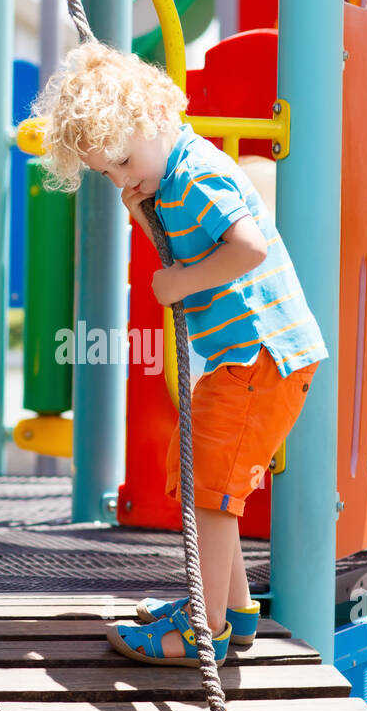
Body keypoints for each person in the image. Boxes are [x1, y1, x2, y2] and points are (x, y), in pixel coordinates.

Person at [32, 41, 328, 667]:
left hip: (260, 358)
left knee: (211, 491)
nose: (119, 179)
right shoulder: (171, 170)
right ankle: (236, 611)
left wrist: (178, 284)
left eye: (121, 162)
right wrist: (142, 205)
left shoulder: (196, 175)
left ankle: (206, 629)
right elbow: (181, 236)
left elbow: (246, 247)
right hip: (248, 359)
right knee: (203, 477)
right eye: (107, 174)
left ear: (151, 116)